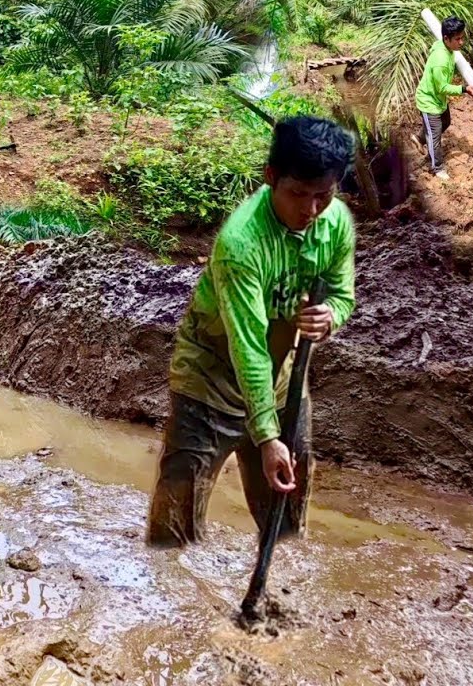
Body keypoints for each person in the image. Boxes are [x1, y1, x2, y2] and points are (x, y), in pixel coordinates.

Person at [147, 115, 357, 551]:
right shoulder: (241, 244)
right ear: (271, 177)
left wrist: (331, 315)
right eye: (298, 194)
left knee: (286, 523)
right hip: (210, 382)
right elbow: (248, 345)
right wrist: (266, 436)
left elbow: (342, 294)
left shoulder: (335, 223)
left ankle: (280, 588)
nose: (311, 210)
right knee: (174, 531)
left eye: (323, 195)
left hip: (281, 383)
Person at [413, 16, 473, 181]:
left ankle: (419, 138)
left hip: (438, 99)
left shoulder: (446, 48)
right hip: (429, 101)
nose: (461, 42)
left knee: (446, 122)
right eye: (457, 39)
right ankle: (437, 168)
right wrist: (464, 89)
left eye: (462, 37)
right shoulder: (440, 59)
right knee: (435, 137)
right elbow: (442, 87)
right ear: (446, 39)